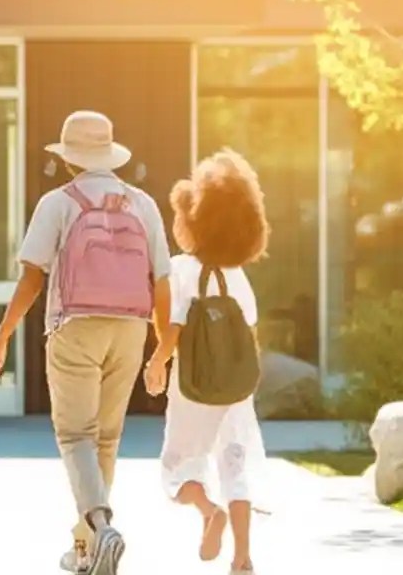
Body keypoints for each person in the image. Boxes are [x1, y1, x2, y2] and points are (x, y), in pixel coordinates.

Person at [0, 111, 172, 575]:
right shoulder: (142, 204)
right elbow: (163, 282)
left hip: (75, 327)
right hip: (131, 328)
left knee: (75, 436)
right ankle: (85, 549)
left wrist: (0, 339)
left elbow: (31, 279)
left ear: (68, 158)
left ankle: (102, 528)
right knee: (106, 439)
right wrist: (163, 352)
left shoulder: (58, 203)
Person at [144, 149, 269, 575]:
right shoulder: (237, 274)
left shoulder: (180, 269)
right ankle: (242, 557)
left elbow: (174, 325)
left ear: (194, 221)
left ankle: (205, 509)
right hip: (234, 388)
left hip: (192, 386)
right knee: (237, 467)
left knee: (178, 469)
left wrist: (157, 362)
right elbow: (249, 327)